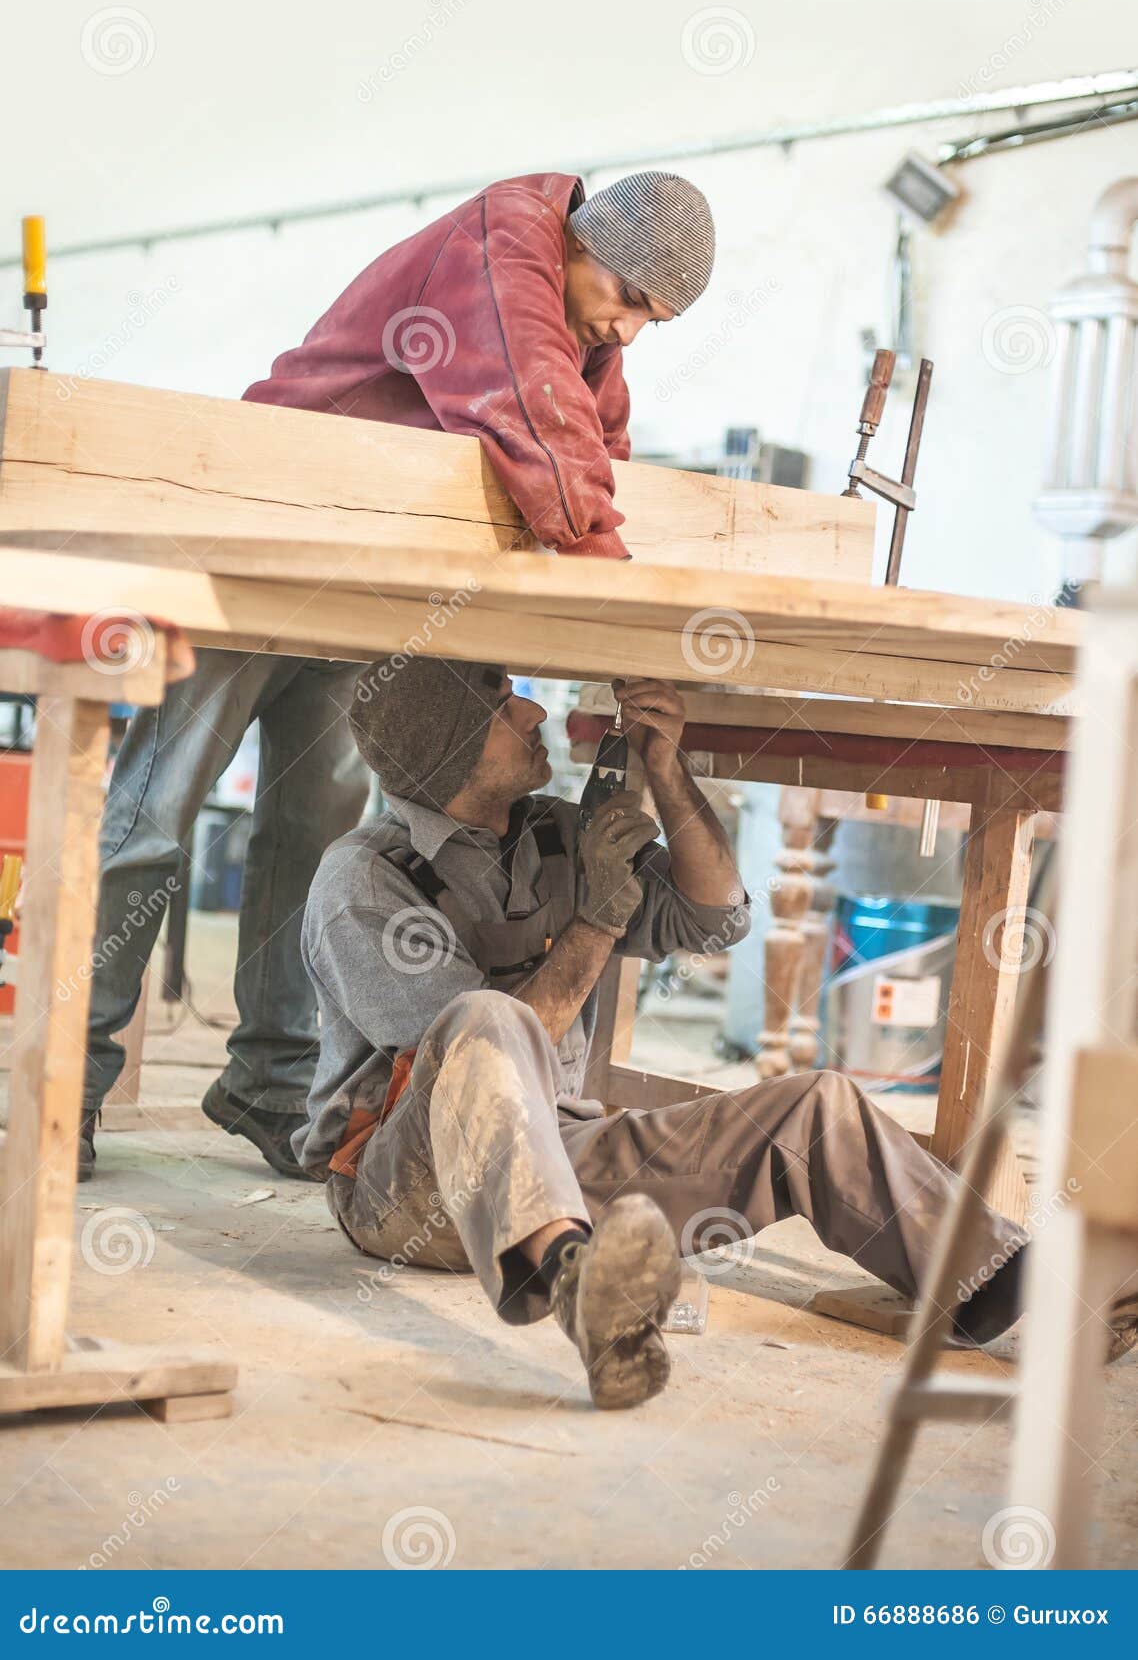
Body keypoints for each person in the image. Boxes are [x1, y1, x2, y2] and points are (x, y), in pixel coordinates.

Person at [78, 170, 716, 1180]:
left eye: (655, 321)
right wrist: (620, 610)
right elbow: (546, 434)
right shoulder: (504, 254)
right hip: (254, 542)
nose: (631, 332)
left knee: (311, 828)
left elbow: (599, 449)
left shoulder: (583, 325)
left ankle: (270, 1080)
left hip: (358, 582)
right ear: (585, 244)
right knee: (153, 816)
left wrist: (608, 569)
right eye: (631, 302)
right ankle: (60, 1085)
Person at [299, 655, 1032, 1411]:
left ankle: (1003, 1280)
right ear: (449, 744)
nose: (536, 716)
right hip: (411, 1187)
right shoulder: (363, 880)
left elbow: (717, 919)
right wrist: (599, 921)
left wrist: (665, 766)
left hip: (560, 1151)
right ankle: (576, 1280)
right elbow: (481, 1074)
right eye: (504, 705)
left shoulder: (549, 832)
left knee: (812, 1110)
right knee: (489, 1019)